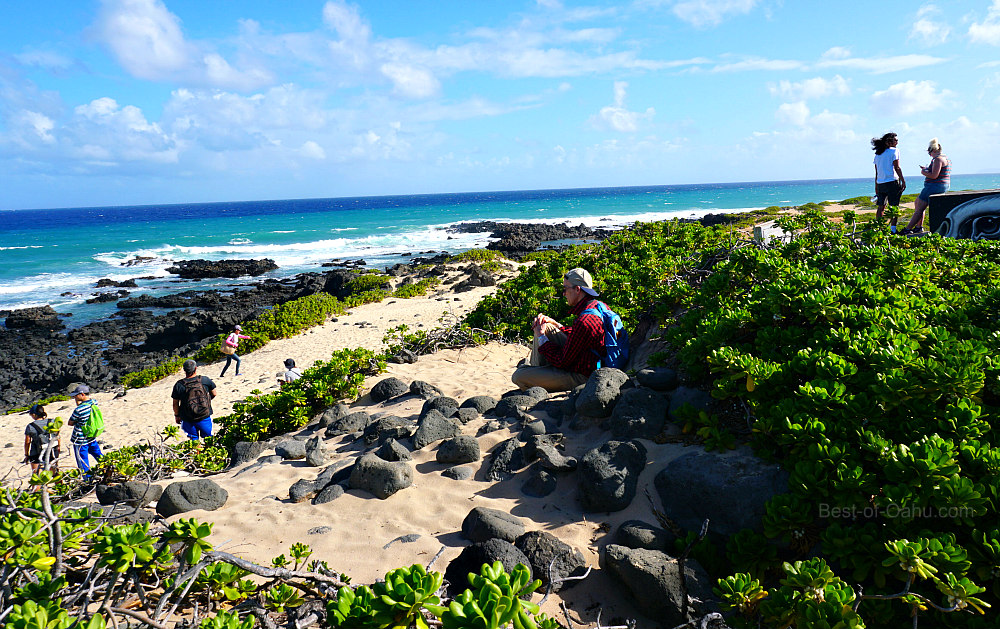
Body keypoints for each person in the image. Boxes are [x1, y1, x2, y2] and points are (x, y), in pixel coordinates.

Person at [512, 268, 607, 392]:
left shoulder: (584, 321)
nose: (563, 293)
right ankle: (539, 373)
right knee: (547, 327)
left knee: (518, 376)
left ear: (577, 289)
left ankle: (535, 383)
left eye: (565, 289)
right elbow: (580, 336)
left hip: (584, 376)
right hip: (591, 361)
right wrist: (557, 325)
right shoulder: (599, 306)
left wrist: (541, 337)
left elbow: (562, 361)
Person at [902, 138, 951, 235]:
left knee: (919, 209)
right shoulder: (945, 158)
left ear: (933, 150)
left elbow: (934, 175)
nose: (929, 154)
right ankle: (919, 227)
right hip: (940, 186)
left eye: (929, 152)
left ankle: (908, 229)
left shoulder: (937, 159)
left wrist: (923, 172)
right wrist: (927, 169)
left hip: (933, 186)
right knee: (918, 203)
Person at [172, 359, 218, 440]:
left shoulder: (179, 385)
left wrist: (177, 415)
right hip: (204, 415)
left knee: (194, 440)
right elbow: (214, 393)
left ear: (184, 370)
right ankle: (209, 452)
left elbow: (175, 404)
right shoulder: (204, 380)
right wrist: (207, 401)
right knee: (208, 438)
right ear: (196, 368)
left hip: (187, 417)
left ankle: (198, 452)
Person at [871, 132, 906, 233]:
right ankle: (893, 229)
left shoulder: (878, 154)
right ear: (890, 142)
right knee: (894, 207)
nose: (897, 142)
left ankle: (879, 228)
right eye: (896, 140)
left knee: (881, 207)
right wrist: (903, 180)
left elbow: (877, 172)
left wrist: (876, 185)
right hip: (892, 182)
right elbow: (897, 167)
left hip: (881, 183)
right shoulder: (894, 151)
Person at [67, 384, 102, 474]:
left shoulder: (79, 410)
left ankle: (87, 479)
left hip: (80, 440)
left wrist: (78, 404)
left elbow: (70, 423)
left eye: (76, 395)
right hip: (91, 436)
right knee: (99, 456)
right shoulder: (94, 402)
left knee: (83, 462)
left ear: (82, 394)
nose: (74, 397)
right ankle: (108, 469)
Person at [24, 403, 60, 475]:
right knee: (55, 474)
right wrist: (58, 448)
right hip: (52, 450)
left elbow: (27, 442)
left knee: (37, 476)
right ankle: (60, 486)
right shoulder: (52, 422)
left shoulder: (30, 426)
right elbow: (58, 436)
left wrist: (27, 455)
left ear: (34, 414)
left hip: (36, 452)